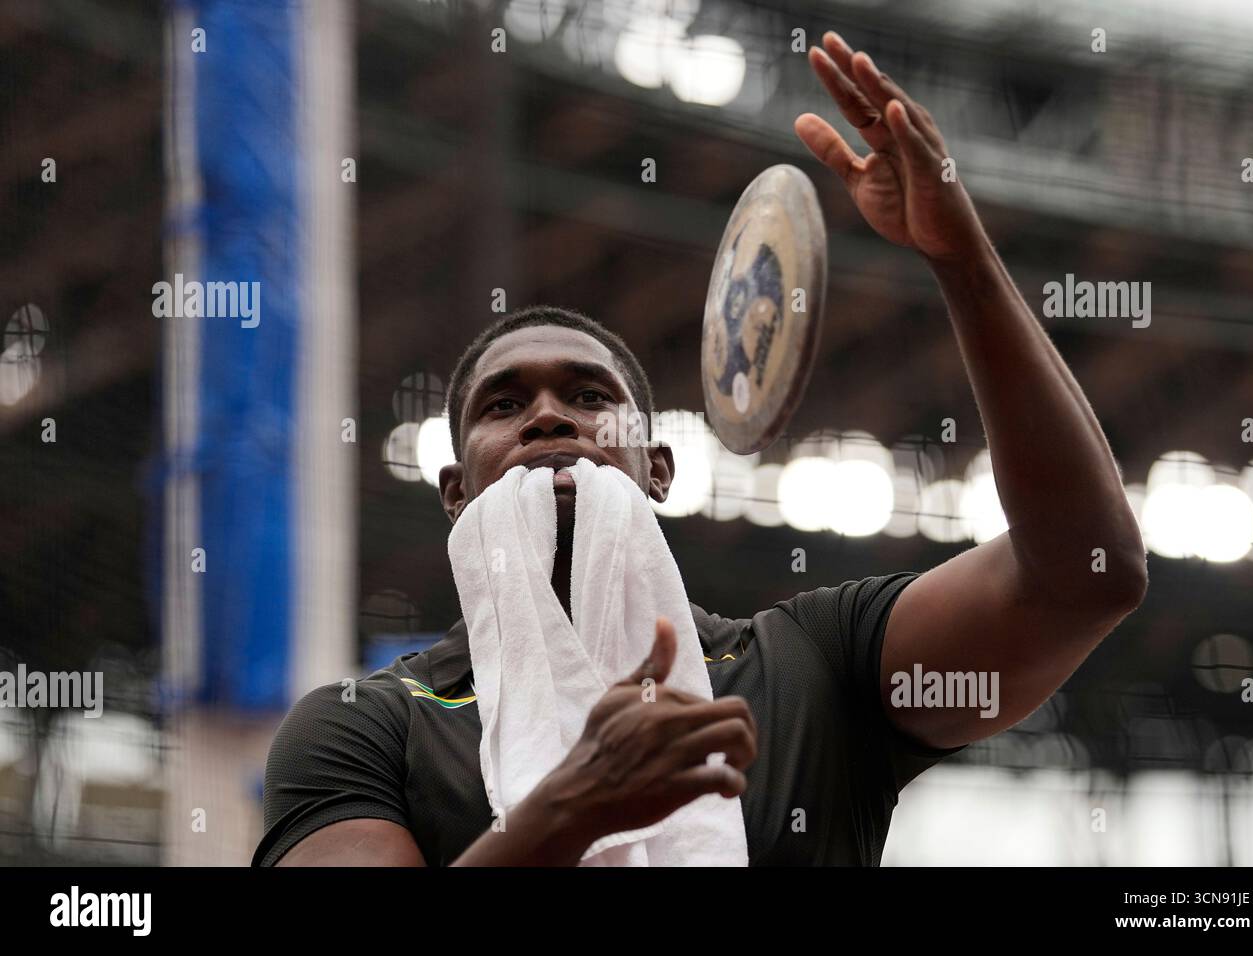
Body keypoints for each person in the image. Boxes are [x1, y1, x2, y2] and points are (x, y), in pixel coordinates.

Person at [253, 32, 1146, 867]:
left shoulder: (811, 663)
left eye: (593, 397)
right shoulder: (367, 724)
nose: (551, 417)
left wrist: (962, 260)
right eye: (505, 403)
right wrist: (576, 809)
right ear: (455, 489)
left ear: (658, 470)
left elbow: (1086, 576)